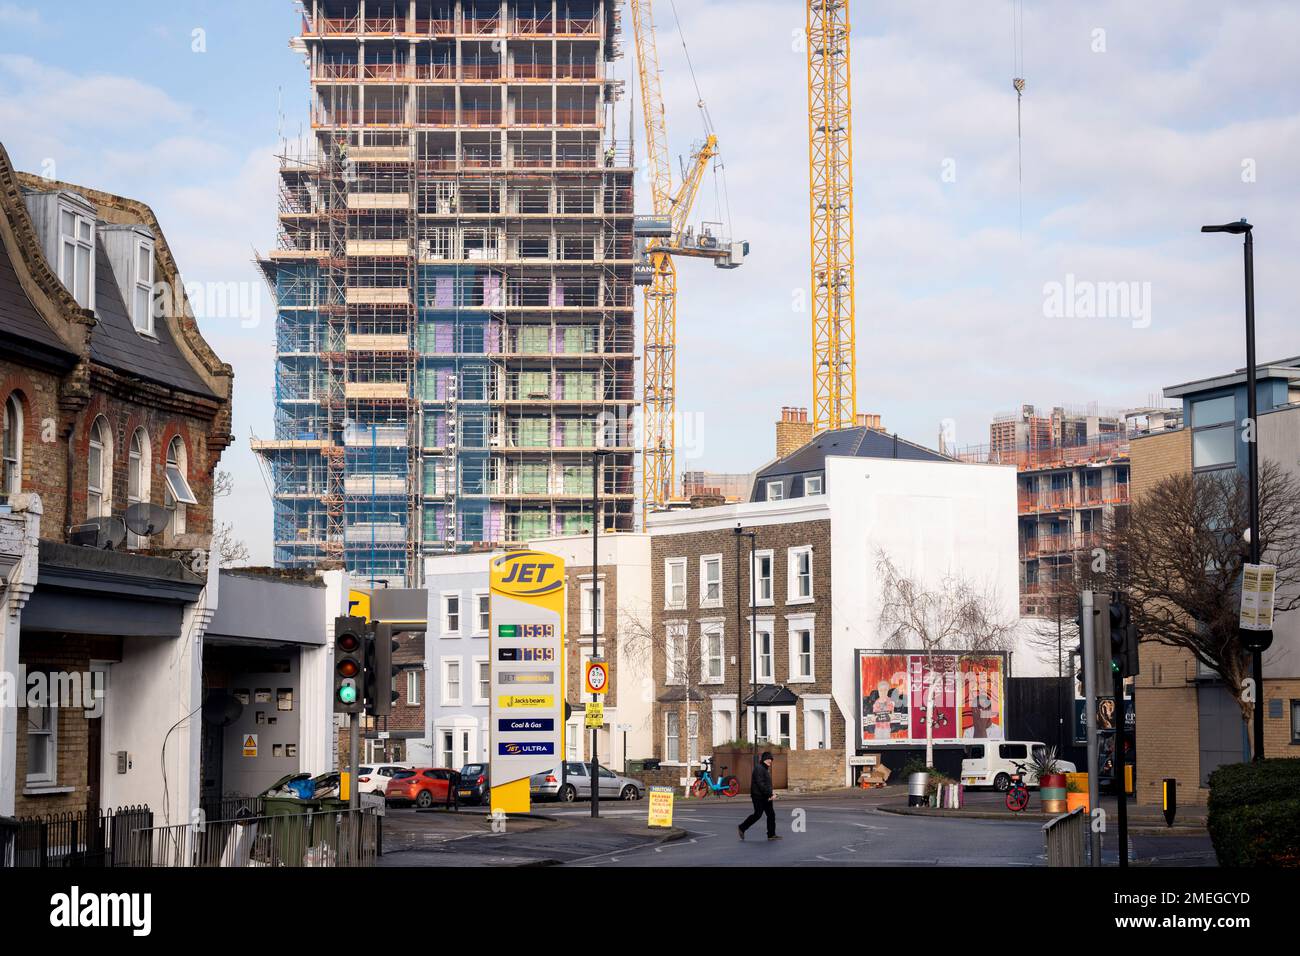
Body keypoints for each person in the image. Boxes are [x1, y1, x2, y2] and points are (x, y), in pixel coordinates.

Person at [738, 751, 779, 841]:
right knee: (757, 814)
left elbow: (766, 784)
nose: (770, 761)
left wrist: (771, 794)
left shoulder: (764, 769)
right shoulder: (759, 768)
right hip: (758, 797)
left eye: (771, 759)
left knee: (771, 815)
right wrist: (770, 794)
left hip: (766, 796)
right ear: (763, 759)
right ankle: (742, 827)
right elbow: (760, 784)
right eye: (768, 759)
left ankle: (771, 835)